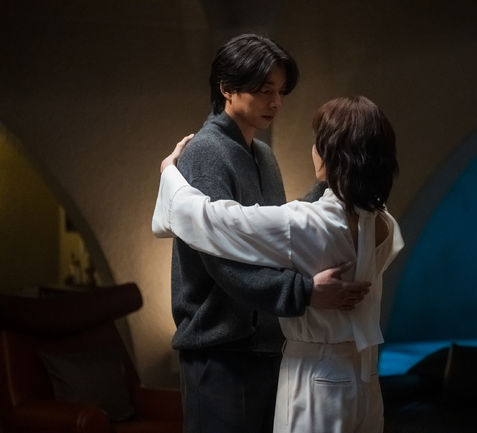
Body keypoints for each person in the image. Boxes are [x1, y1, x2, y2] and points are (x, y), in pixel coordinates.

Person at [153, 96, 404, 433]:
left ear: (330, 153)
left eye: (318, 141)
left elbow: (213, 220)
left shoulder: (307, 223)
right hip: (365, 381)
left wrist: (169, 174)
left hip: (315, 381)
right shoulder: (384, 223)